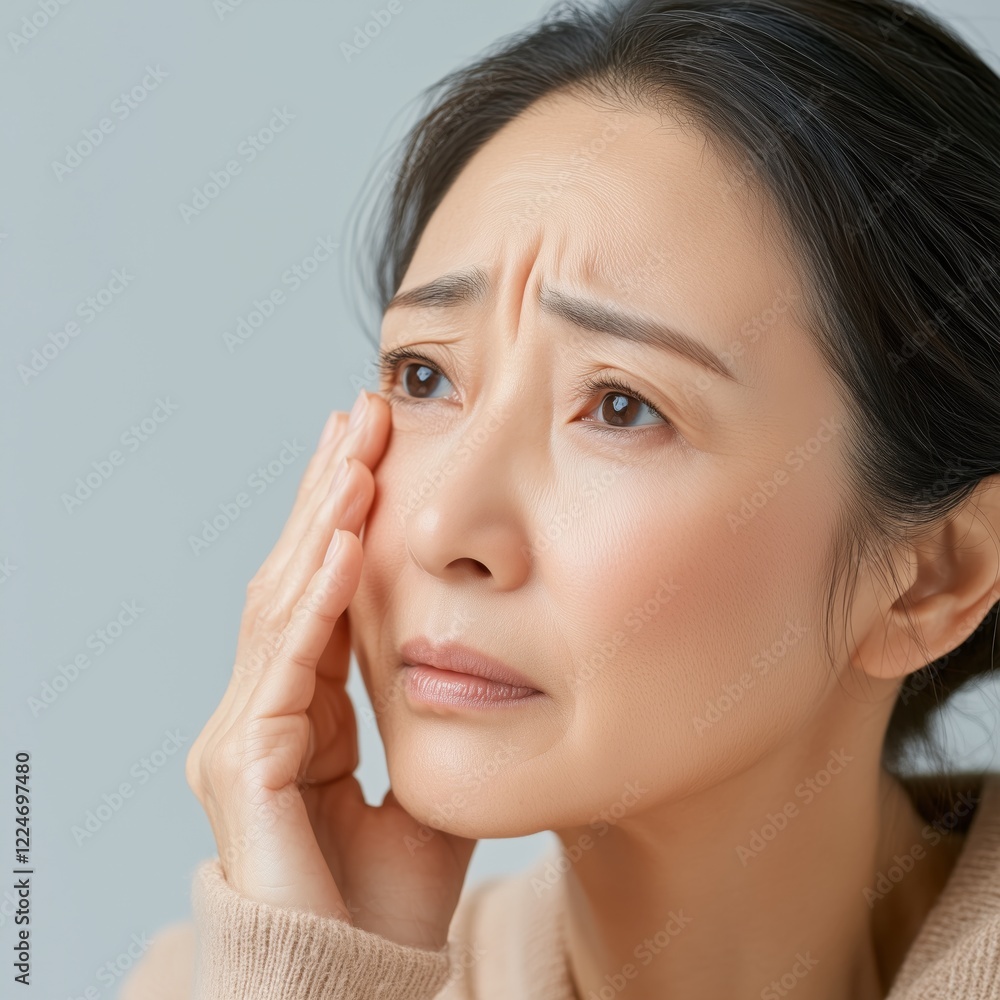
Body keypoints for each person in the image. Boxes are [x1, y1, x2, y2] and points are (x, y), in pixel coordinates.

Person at [122, 0, 1000, 996]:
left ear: (930, 575)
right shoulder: (230, 976)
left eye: (621, 406)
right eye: (422, 378)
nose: (444, 528)